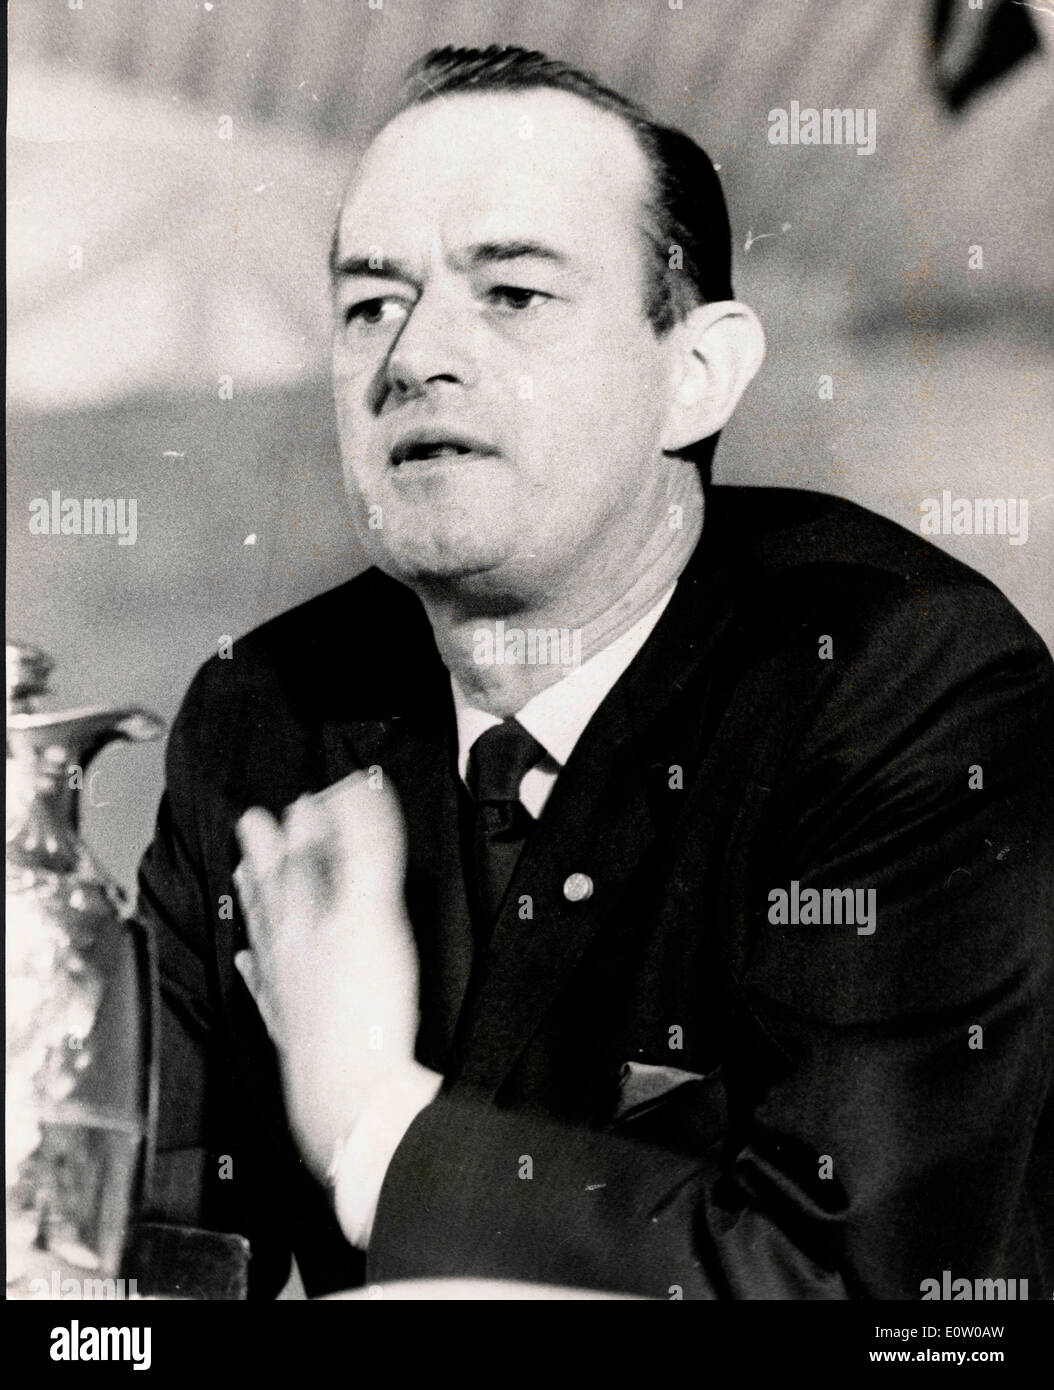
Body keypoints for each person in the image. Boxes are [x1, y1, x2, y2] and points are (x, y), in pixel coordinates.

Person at [136, 46, 1054, 1300]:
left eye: (511, 293)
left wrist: (375, 1127)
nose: (412, 356)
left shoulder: (906, 684)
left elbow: (854, 1282)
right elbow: (145, 1255)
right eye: (367, 304)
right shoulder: (266, 714)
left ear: (696, 374)